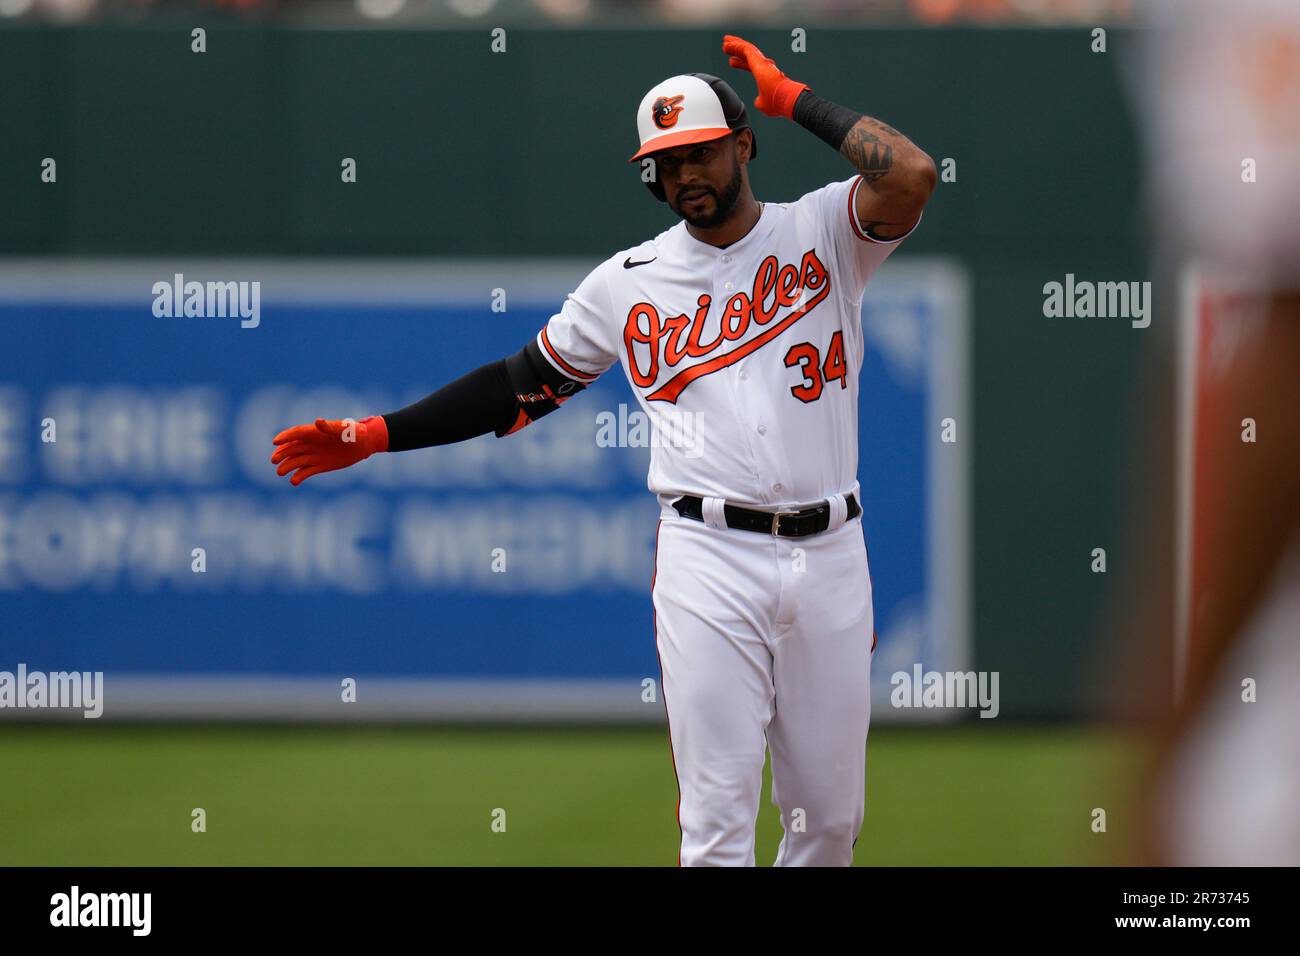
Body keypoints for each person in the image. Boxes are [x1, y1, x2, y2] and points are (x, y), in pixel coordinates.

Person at [271, 35, 935, 866]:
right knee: (718, 830)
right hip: (708, 556)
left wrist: (795, 95)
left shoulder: (826, 233)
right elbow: (518, 384)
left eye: (697, 153)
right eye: (664, 161)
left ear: (742, 145)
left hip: (832, 552)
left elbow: (910, 174)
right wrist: (376, 435)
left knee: (829, 826)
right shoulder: (627, 280)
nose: (684, 174)